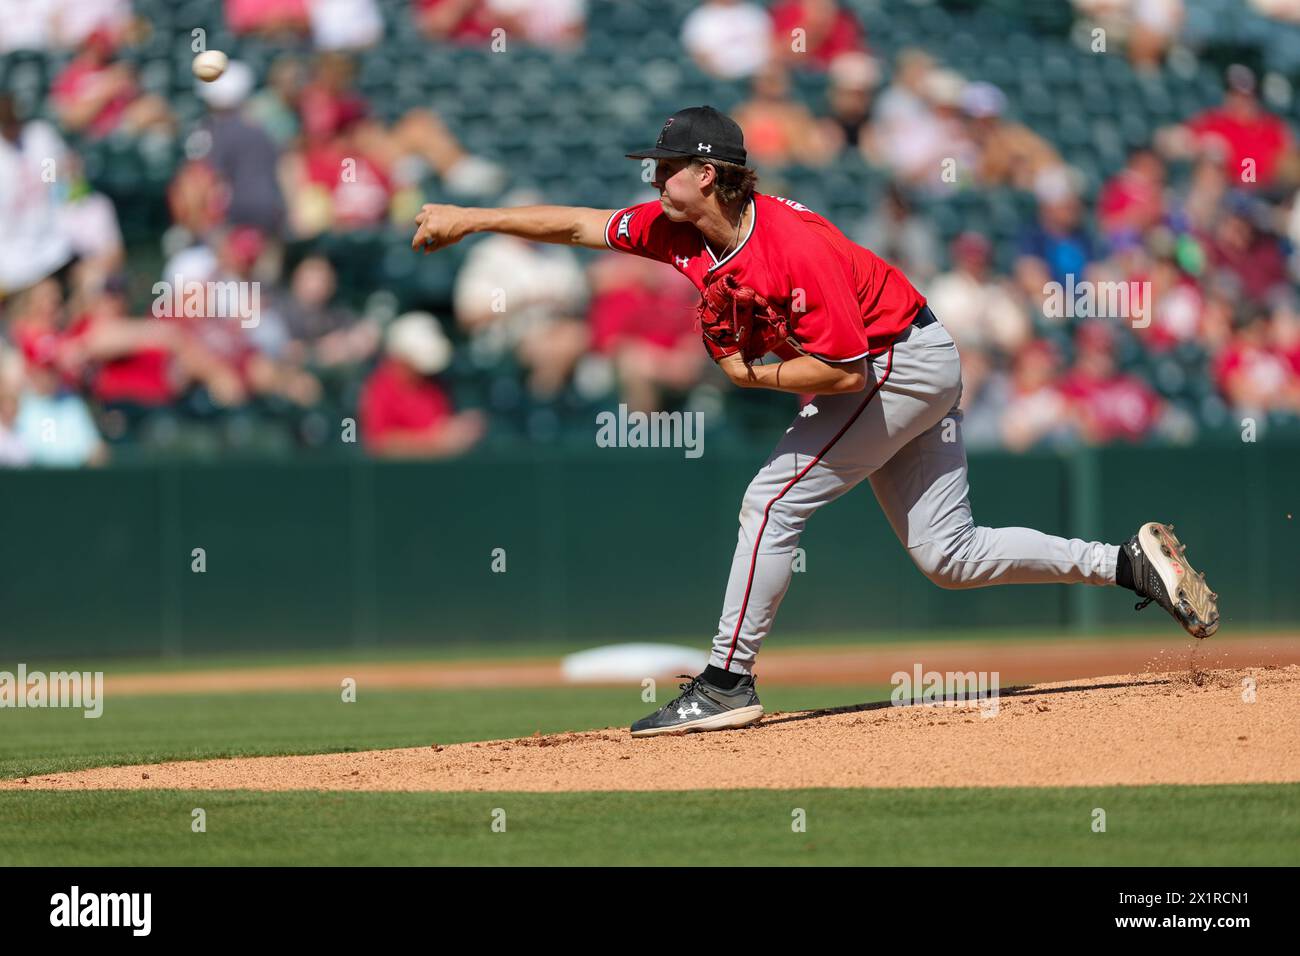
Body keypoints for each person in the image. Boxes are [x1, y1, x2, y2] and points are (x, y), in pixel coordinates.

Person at [410, 105, 1221, 738]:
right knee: (949, 553)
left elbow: (844, 370)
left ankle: (727, 681)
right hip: (914, 356)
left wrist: (749, 374)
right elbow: (582, 223)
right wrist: (472, 217)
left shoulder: (789, 248)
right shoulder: (682, 231)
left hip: (896, 361)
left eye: (665, 166)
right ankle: (1127, 564)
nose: (653, 178)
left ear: (709, 172)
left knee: (771, 499)